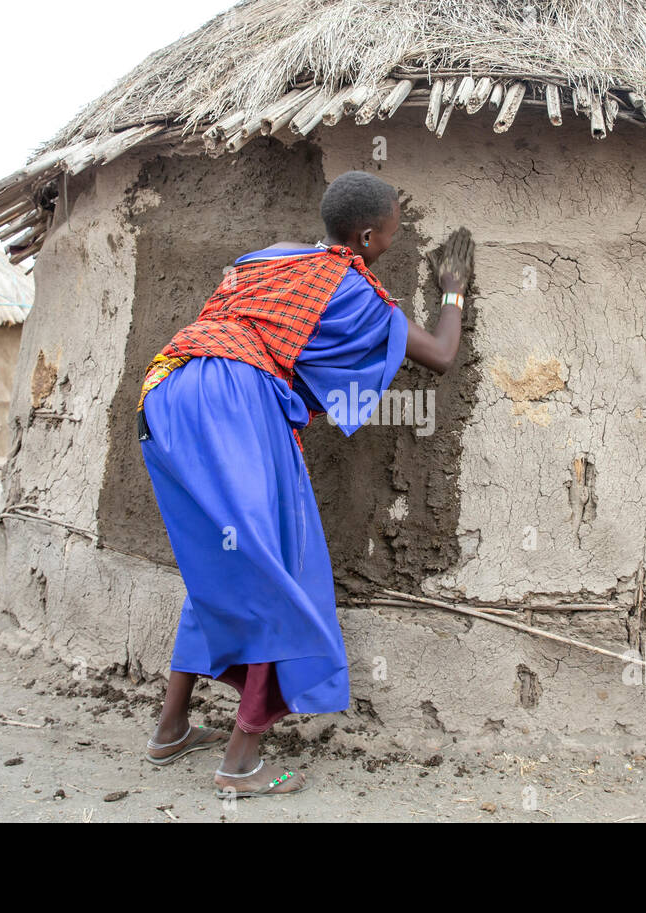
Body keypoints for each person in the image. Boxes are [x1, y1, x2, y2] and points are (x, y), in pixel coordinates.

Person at [136, 170, 473, 797]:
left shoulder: (268, 258)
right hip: (235, 399)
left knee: (227, 560)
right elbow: (441, 355)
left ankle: (172, 727)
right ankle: (241, 762)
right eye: (393, 234)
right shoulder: (356, 292)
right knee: (281, 569)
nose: (393, 243)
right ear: (368, 236)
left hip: (167, 387)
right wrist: (452, 292)